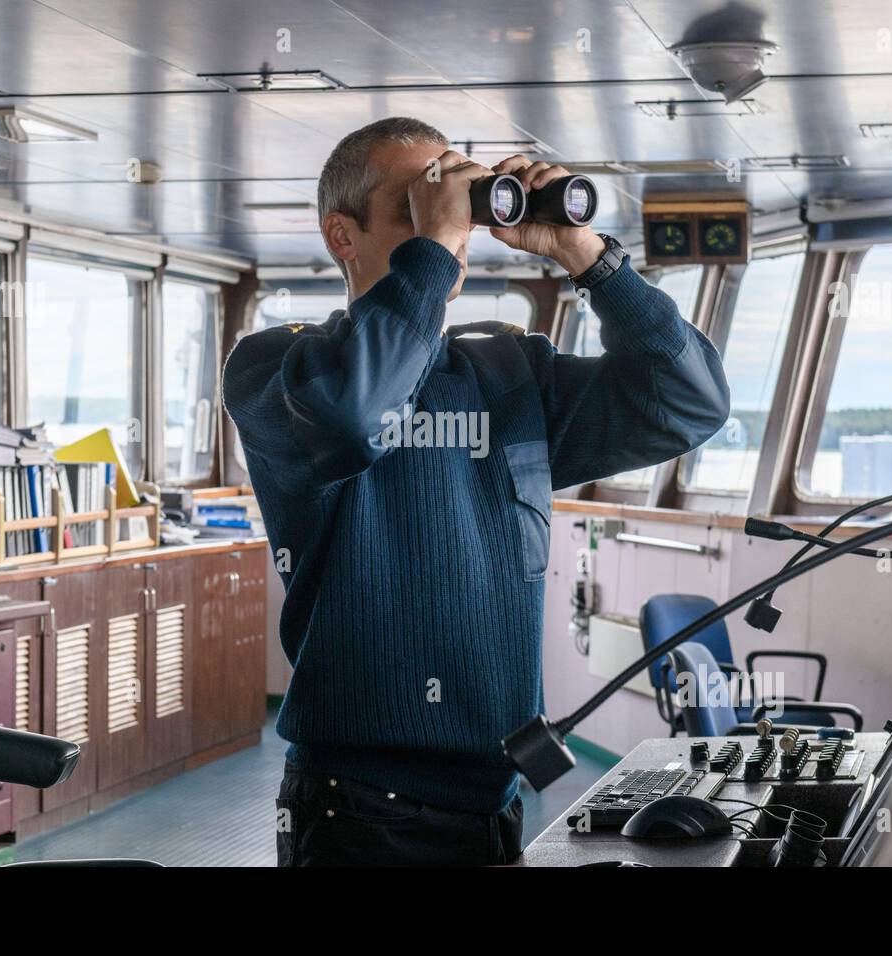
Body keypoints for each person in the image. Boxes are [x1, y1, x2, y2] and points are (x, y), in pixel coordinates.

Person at [223, 117, 730, 866]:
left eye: (455, 199)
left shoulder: (507, 373)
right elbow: (356, 415)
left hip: (496, 797)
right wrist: (429, 260)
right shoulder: (281, 366)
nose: (450, 226)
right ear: (342, 235)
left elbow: (689, 403)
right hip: (361, 810)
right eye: (419, 206)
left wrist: (589, 260)